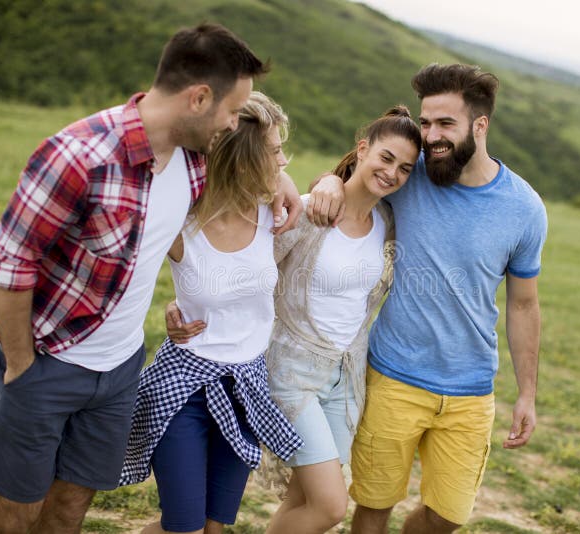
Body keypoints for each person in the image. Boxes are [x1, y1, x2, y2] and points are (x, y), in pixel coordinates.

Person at [0, 24, 301, 533]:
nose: (234, 124)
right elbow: (10, 262)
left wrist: (283, 179)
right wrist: (19, 363)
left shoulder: (194, 163)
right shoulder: (79, 155)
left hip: (121, 370)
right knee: (16, 512)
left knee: (69, 510)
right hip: (48, 360)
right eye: (232, 111)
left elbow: (250, 163)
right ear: (198, 98)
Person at [308, 63, 548, 533]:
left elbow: (524, 305)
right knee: (373, 507)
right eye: (426, 122)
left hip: (471, 390)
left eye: (445, 124)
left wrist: (528, 394)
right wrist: (329, 182)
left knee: (446, 518)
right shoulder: (408, 173)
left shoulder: (525, 209)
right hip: (393, 376)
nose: (431, 136)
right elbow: (353, 175)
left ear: (480, 126)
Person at [166, 106, 421, 533]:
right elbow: (244, 270)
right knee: (329, 507)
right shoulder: (307, 215)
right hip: (292, 372)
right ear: (362, 149)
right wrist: (186, 305)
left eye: (406, 168)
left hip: (347, 377)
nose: (393, 173)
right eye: (386, 158)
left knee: (302, 499)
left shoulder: (388, 222)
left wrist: (329, 179)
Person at [120, 91, 303, 534]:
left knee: (214, 528)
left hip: (246, 386)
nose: (284, 163)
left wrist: (312, 184)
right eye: (275, 152)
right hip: (184, 387)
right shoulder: (179, 219)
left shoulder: (272, 215)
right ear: (242, 159)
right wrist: (173, 306)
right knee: (182, 528)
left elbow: (350, 197)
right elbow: (132, 277)